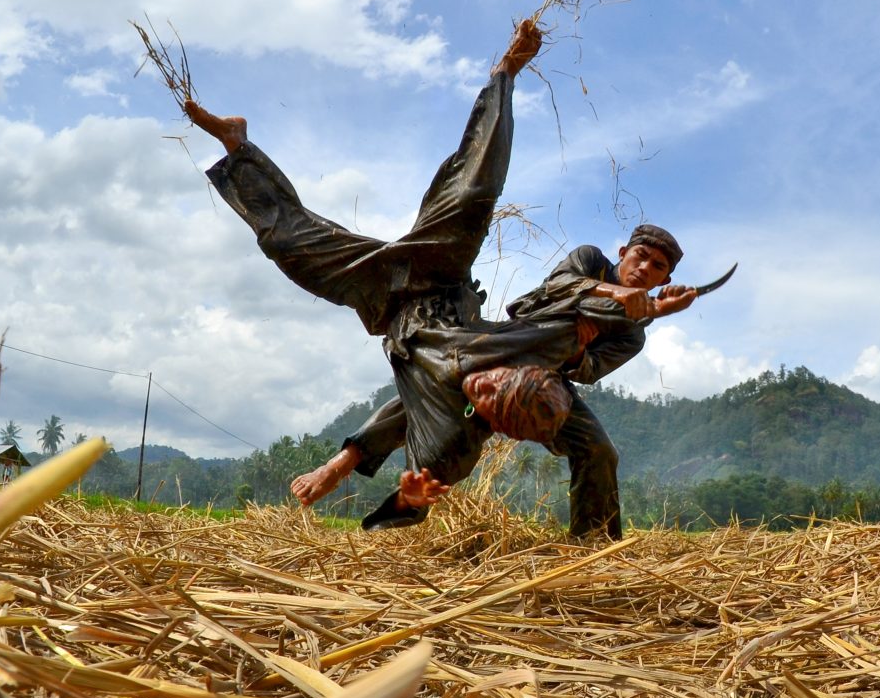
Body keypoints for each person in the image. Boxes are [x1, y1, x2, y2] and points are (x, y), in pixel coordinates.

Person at [186, 19, 621, 530]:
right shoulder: (527, 341)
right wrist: (610, 313)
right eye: (495, 379)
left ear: (491, 420)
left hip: (387, 301)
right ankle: (506, 72)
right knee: (474, 192)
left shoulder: (452, 439)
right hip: (440, 273)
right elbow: (542, 313)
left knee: (290, 247)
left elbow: (399, 495)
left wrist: (406, 500)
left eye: (484, 396)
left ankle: (238, 147)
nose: (480, 382)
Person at [292, 224, 696, 538]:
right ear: (623, 253)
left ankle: (592, 542)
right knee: (439, 386)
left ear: (662, 281)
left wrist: (578, 348)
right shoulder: (590, 260)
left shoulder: (633, 334)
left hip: (546, 383)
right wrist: (616, 296)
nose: (644, 268)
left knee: (599, 450)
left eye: (657, 267)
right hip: (508, 346)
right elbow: (559, 286)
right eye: (641, 256)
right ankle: (340, 466)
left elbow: (588, 370)